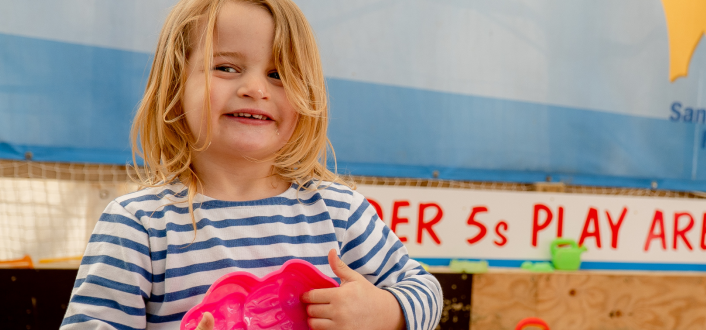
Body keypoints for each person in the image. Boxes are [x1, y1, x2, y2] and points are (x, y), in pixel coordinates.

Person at [59, 0, 442, 329]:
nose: (255, 89)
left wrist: (385, 312)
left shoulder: (340, 212)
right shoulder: (139, 225)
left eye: (279, 75)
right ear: (175, 89)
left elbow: (426, 291)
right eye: (227, 68)